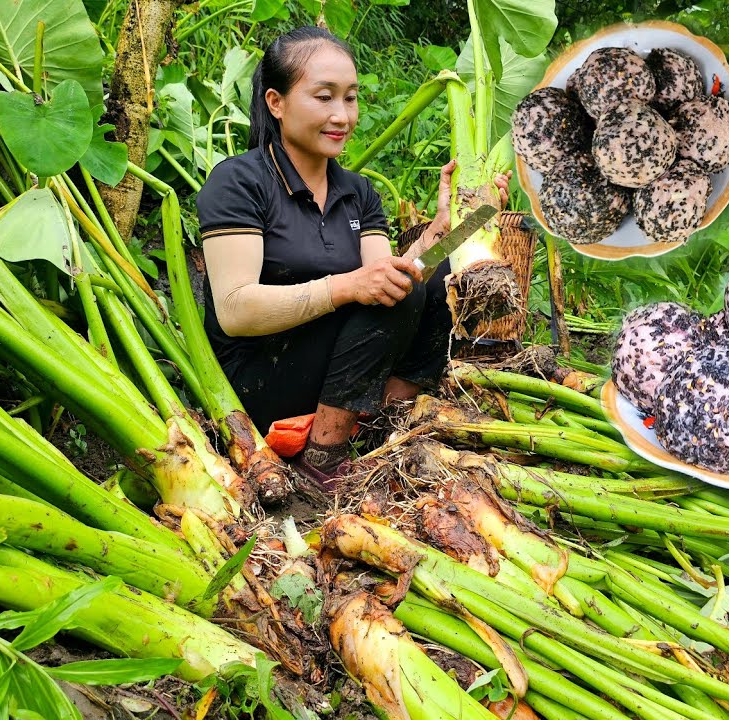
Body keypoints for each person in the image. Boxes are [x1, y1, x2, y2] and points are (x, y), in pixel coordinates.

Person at [195, 26, 506, 488]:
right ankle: (322, 460)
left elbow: (395, 278)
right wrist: (345, 287)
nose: (342, 115)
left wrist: (453, 226)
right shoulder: (240, 182)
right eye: (324, 97)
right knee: (383, 292)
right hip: (259, 379)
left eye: (351, 98)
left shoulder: (357, 192)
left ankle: (384, 432)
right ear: (276, 103)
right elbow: (237, 310)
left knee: (431, 284)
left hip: (336, 375)